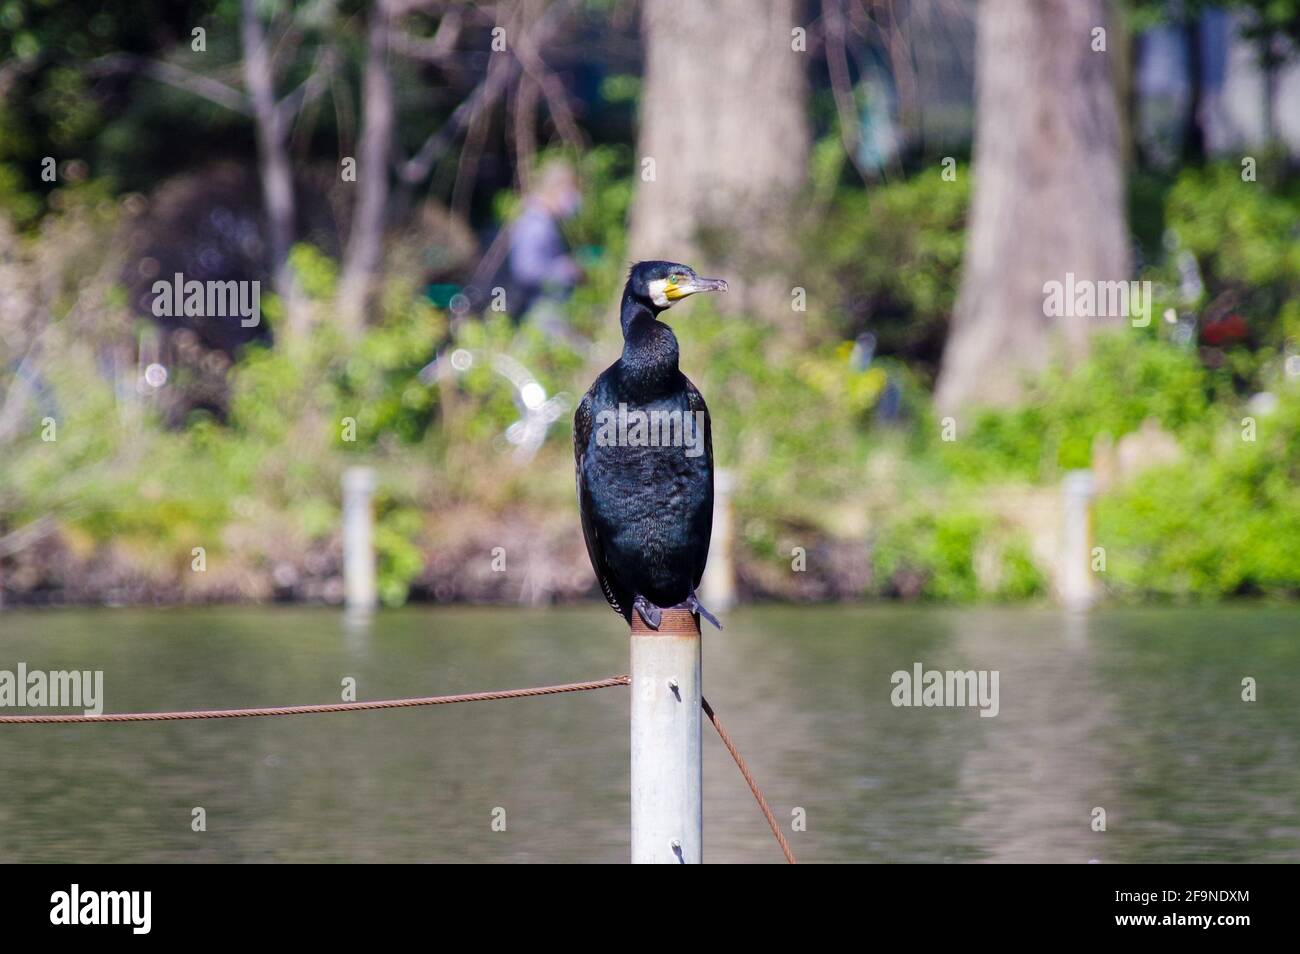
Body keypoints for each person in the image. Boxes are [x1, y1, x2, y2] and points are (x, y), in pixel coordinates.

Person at [506, 161, 583, 323]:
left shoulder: (545, 222)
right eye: (571, 191)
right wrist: (565, 269)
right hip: (537, 310)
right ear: (556, 189)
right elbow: (525, 269)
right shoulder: (536, 224)